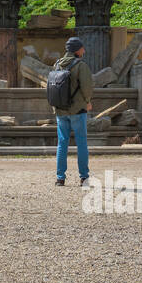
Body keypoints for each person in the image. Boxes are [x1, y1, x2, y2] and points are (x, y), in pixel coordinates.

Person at [53, 36, 93, 186]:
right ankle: (84, 177)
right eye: (82, 48)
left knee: (62, 143)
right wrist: (88, 102)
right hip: (77, 110)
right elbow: (87, 87)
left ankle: (60, 178)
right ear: (77, 50)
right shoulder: (81, 65)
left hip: (61, 110)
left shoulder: (57, 64)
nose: (84, 50)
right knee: (81, 143)